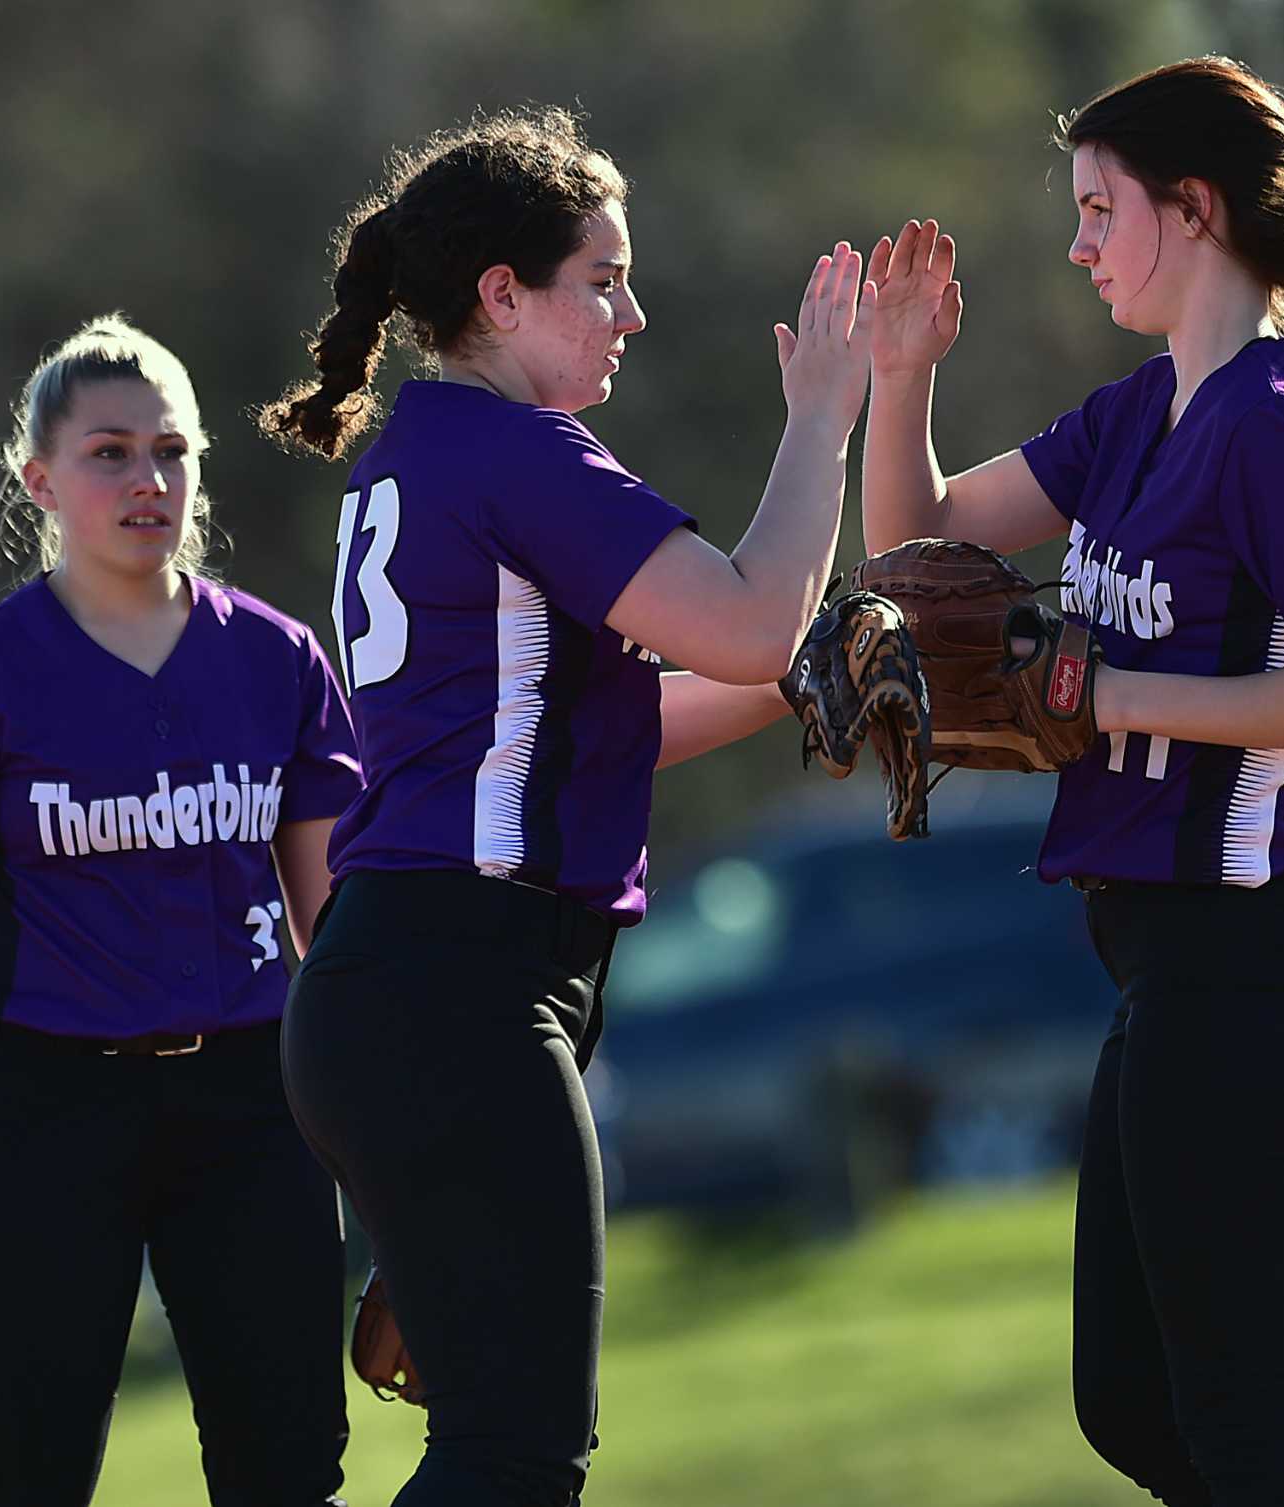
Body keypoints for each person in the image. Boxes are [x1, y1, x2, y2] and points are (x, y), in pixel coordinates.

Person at [258, 107, 867, 1506]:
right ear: (501, 294)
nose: (632, 312)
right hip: (457, 995)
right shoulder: (516, 454)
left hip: (400, 991)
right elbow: (754, 617)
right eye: (603, 276)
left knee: (496, 1443)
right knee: (516, 1454)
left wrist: (807, 671)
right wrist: (825, 416)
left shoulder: (419, 453)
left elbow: (601, 723)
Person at [859, 55, 1284, 1507]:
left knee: (1243, 1423)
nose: (1080, 240)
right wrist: (902, 374)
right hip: (1165, 961)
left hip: (1249, 952)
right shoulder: (1139, 413)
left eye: (1103, 208)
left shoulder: (1273, 423)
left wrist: (1103, 691)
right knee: (1132, 1401)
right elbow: (911, 547)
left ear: (1196, 207)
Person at [0, 316, 362, 1507]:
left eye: (171, 450)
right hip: (47, 1111)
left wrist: (398, 1164)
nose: (147, 480)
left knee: (290, 1475)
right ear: (40, 479)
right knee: (24, 1476)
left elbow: (340, 939)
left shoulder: (275, 659)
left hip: (252, 1108)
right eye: (108, 452)